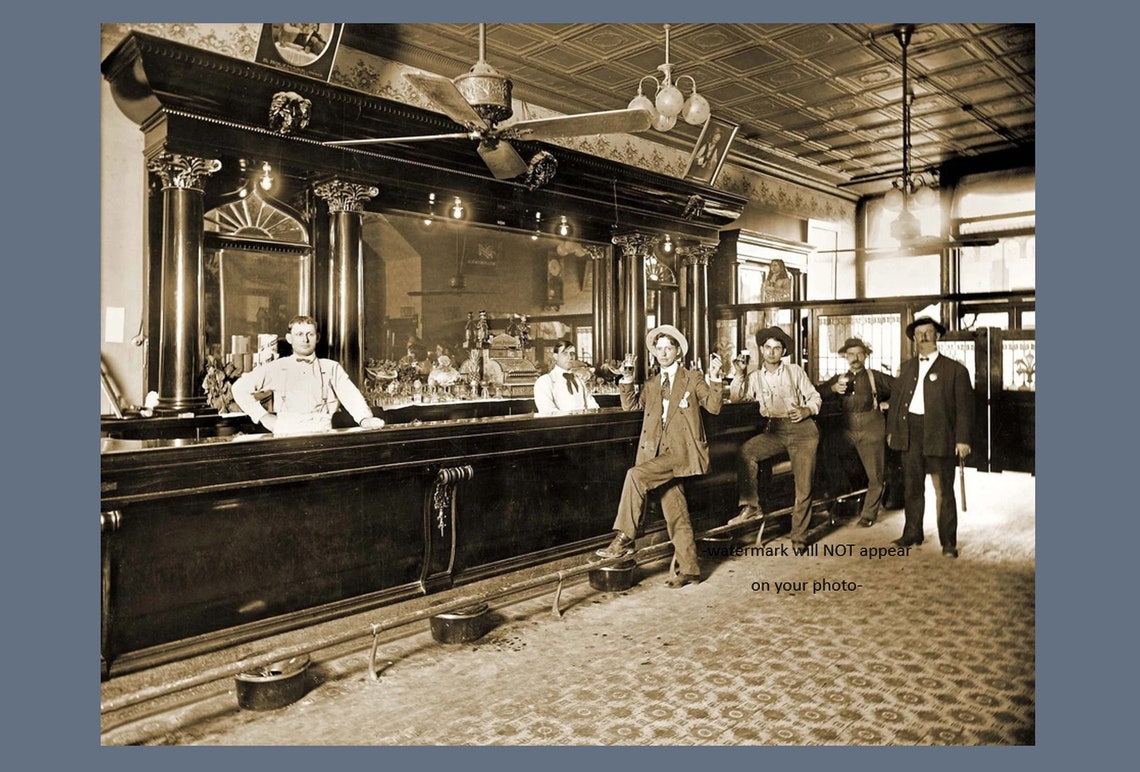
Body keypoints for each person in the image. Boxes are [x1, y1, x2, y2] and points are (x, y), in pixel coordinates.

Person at [595, 325, 724, 588]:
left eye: (668, 348)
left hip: (682, 451)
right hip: (657, 452)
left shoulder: (693, 377)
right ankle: (690, 569)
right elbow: (630, 405)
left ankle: (625, 537)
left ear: (678, 352)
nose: (663, 353)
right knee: (675, 509)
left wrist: (715, 378)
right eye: (659, 349)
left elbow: (714, 406)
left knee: (635, 475)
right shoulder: (652, 384)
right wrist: (628, 380)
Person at [728, 326, 822, 555]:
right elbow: (736, 398)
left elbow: (815, 397)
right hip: (775, 431)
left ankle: (799, 537)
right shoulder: (754, 377)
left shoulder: (795, 371)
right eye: (767, 347)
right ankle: (751, 505)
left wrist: (806, 410)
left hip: (803, 432)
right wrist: (739, 373)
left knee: (804, 487)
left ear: (783, 352)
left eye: (776, 348)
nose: (771, 352)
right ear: (761, 350)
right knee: (747, 452)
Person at [886, 317, 973, 558]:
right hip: (910, 433)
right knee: (912, 487)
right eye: (919, 333)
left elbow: (965, 409)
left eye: (929, 332)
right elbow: (895, 403)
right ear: (914, 339)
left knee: (944, 490)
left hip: (941, 435)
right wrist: (892, 431)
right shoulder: (906, 368)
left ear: (938, 336)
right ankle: (912, 533)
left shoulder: (955, 370)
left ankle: (948, 542)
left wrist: (963, 439)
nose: (924, 337)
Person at [231, 314, 384, 436]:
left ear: (317, 338)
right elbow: (239, 388)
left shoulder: (331, 368)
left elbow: (351, 396)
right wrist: (263, 417)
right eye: (299, 334)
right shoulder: (277, 367)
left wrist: (365, 419)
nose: (305, 339)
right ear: (290, 338)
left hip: (322, 434)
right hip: (286, 435)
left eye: (310, 334)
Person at [818, 337, 895, 528]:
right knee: (828, 447)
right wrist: (833, 389)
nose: (855, 357)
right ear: (845, 357)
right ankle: (843, 494)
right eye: (851, 354)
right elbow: (815, 393)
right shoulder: (839, 378)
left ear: (866, 356)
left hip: (872, 426)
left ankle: (868, 514)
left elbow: (902, 389)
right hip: (848, 427)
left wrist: (890, 404)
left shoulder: (875, 376)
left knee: (875, 475)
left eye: (859, 353)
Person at [533, 341, 600, 414]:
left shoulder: (579, 380)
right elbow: (547, 411)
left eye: (572, 354)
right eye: (565, 353)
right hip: (561, 424)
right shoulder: (544, 381)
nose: (570, 357)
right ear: (555, 356)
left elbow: (592, 405)